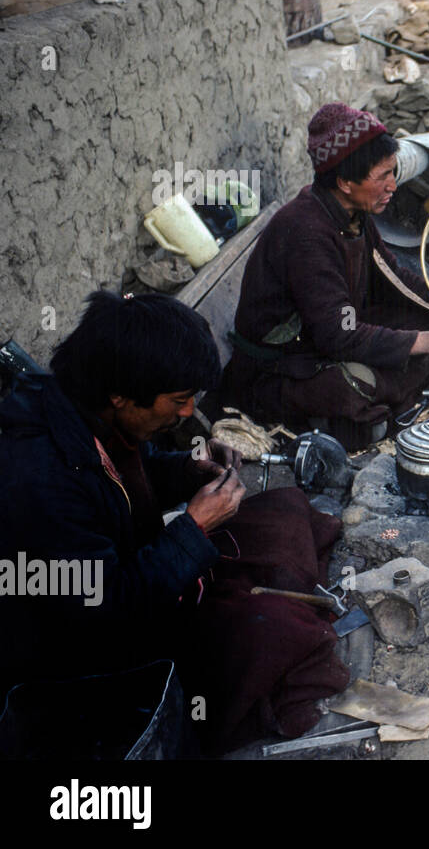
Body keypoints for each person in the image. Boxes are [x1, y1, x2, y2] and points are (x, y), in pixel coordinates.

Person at [0, 292, 351, 754]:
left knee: (282, 512)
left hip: (144, 577)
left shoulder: (89, 405)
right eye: (179, 400)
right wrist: (191, 530)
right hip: (90, 654)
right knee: (273, 631)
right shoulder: (39, 479)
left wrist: (191, 470)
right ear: (121, 395)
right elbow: (106, 612)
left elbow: (134, 472)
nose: (187, 413)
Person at [222, 103, 429, 450]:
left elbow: (392, 275)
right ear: (344, 182)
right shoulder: (306, 232)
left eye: (393, 173)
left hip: (327, 333)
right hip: (283, 365)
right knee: (355, 384)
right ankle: (357, 417)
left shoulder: (352, 214)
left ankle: (386, 403)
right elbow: (339, 336)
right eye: (382, 176)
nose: (392, 186)